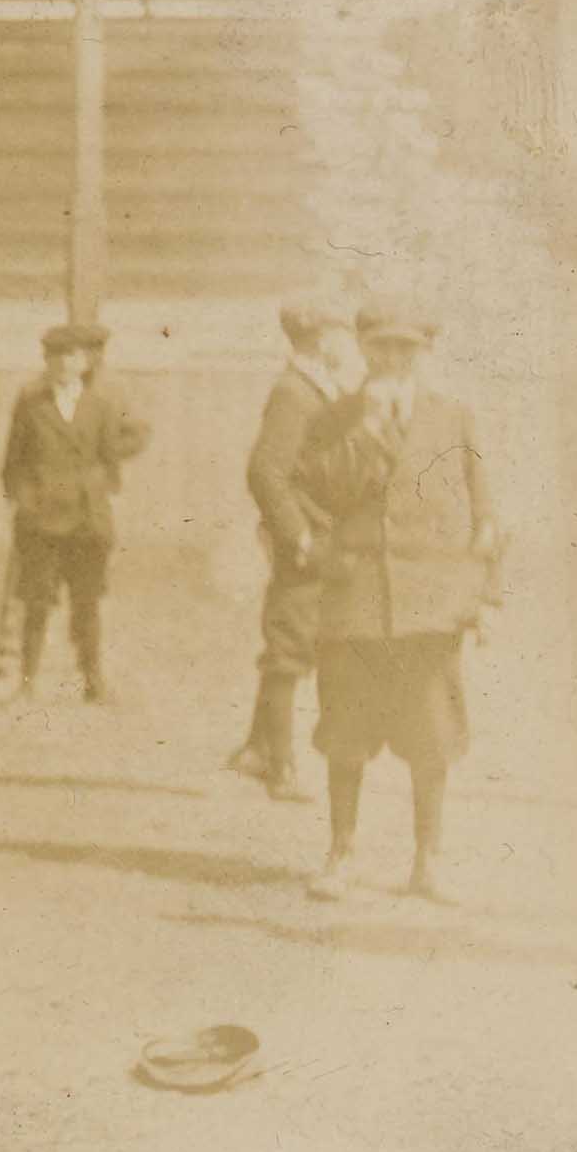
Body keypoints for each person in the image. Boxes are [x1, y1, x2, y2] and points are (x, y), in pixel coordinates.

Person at [295, 299, 500, 903]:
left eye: (405, 350)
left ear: (423, 354)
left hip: (429, 605)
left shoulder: (453, 418)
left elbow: (483, 511)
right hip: (355, 599)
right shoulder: (334, 418)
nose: (392, 360)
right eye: (381, 347)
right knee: (345, 733)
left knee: (432, 735)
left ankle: (428, 862)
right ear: (364, 350)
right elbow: (323, 494)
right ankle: (341, 854)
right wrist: (364, 435)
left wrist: (479, 595)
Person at [226, 299, 362, 798]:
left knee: (297, 642)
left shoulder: (316, 388)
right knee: (290, 647)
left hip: (322, 535)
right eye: (340, 330)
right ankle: (281, 768)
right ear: (321, 338)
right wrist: (298, 535)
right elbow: (265, 471)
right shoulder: (293, 394)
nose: (348, 341)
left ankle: (258, 749)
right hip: (306, 540)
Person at [0, 322, 149, 701]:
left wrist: (98, 488)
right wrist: (26, 502)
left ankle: (93, 681)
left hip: (86, 519)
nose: (64, 364)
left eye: (73, 357)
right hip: (42, 520)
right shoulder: (31, 405)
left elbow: (116, 450)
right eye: (56, 357)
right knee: (37, 602)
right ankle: (27, 682)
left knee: (87, 603)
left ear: (85, 363)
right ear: (46, 362)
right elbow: (12, 463)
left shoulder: (101, 406)